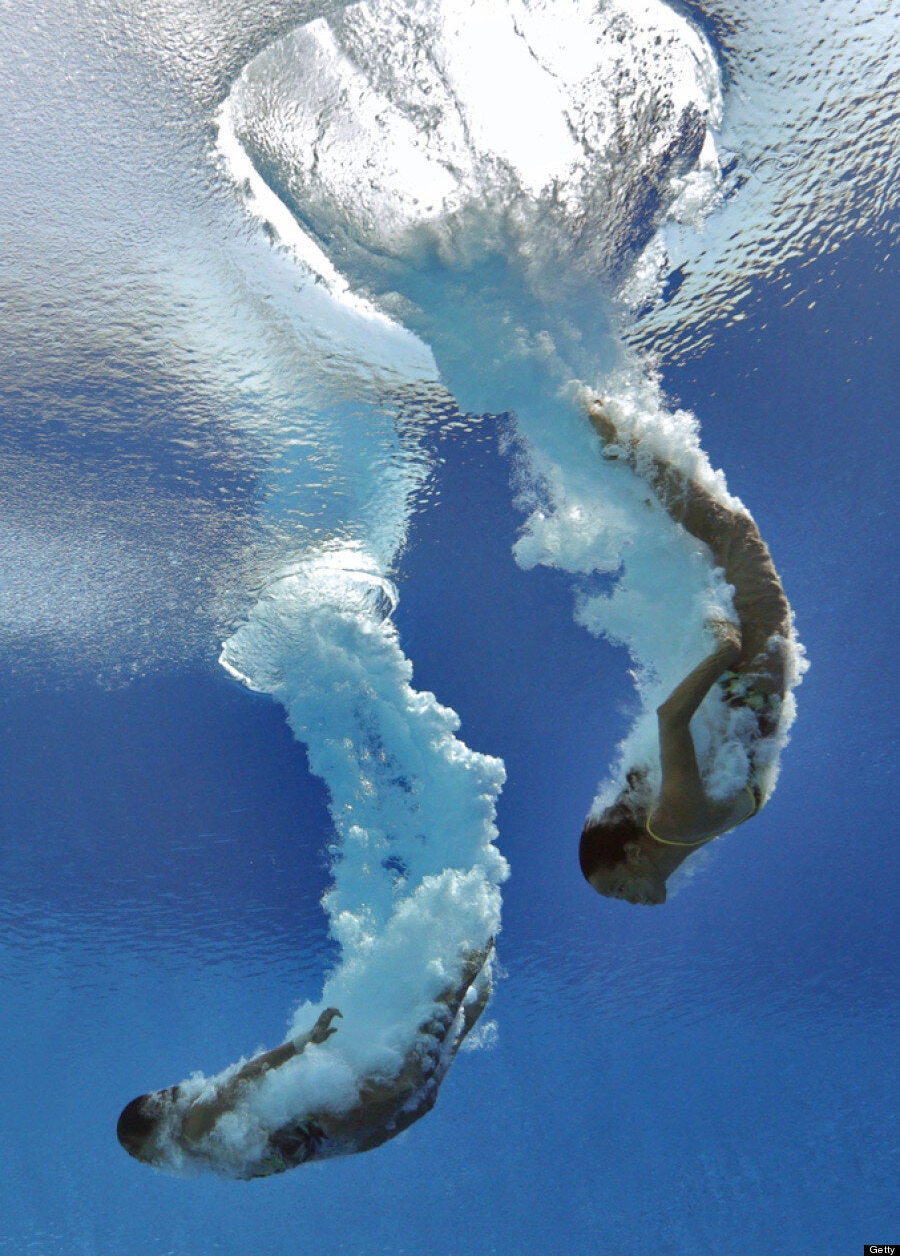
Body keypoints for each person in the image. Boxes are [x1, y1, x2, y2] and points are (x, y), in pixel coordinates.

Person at [579, 399, 794, 906]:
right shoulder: (681, 830)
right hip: (750, 679)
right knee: (720, 538)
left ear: (631, 858)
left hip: (750, 663)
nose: (627, 899)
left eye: (616, 887)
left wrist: (726, 650)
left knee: (730, 533)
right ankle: (631, 463)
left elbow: (672, 719)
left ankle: (627, 451)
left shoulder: (677, 823)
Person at [117, 944, 492, 1178]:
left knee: (410, 1082)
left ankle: (467, 959)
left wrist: (304, 1041)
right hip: (335, 1141)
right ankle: (475, 991)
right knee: (422, 1099)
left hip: (331, 1125)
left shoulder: (195, 1126)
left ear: (156, 1130)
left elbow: (248, 1076)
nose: (145, 1160)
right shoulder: (200, 1154)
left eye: (138, 1151)